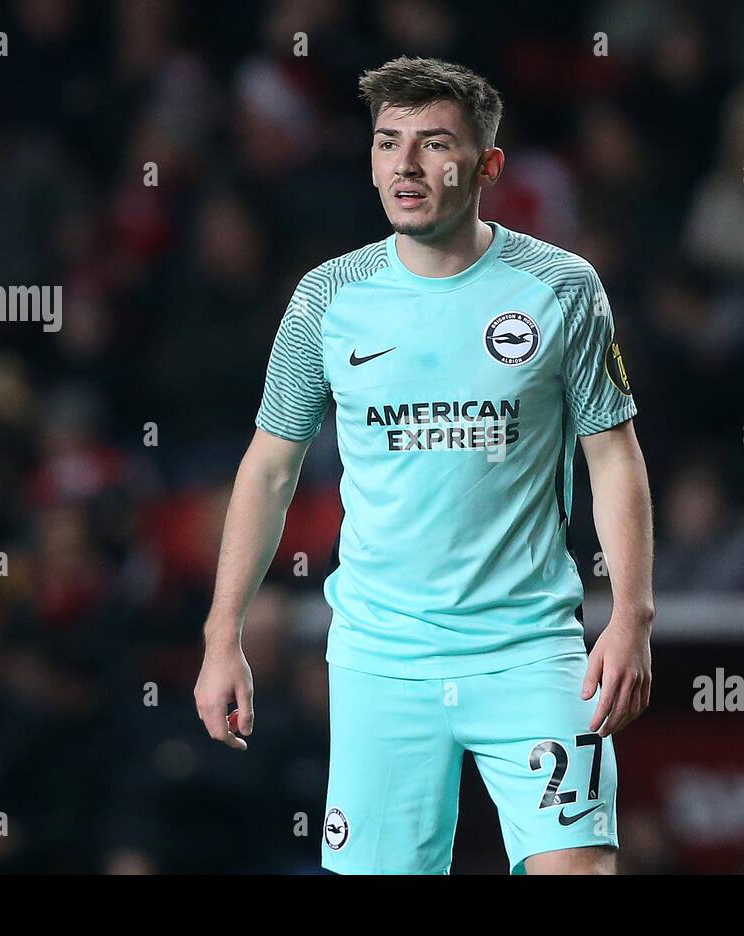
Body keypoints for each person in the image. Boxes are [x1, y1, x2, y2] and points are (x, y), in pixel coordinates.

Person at [193, 56, 654, 875]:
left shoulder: (562, 287)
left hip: (530, 650)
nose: (405, 165)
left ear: (487, 166)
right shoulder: (327, 298)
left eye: (433, 143)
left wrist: (631, 615)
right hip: (381, 657)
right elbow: (269, 467)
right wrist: (222, 632)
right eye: (386, 143)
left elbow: (613, 455)